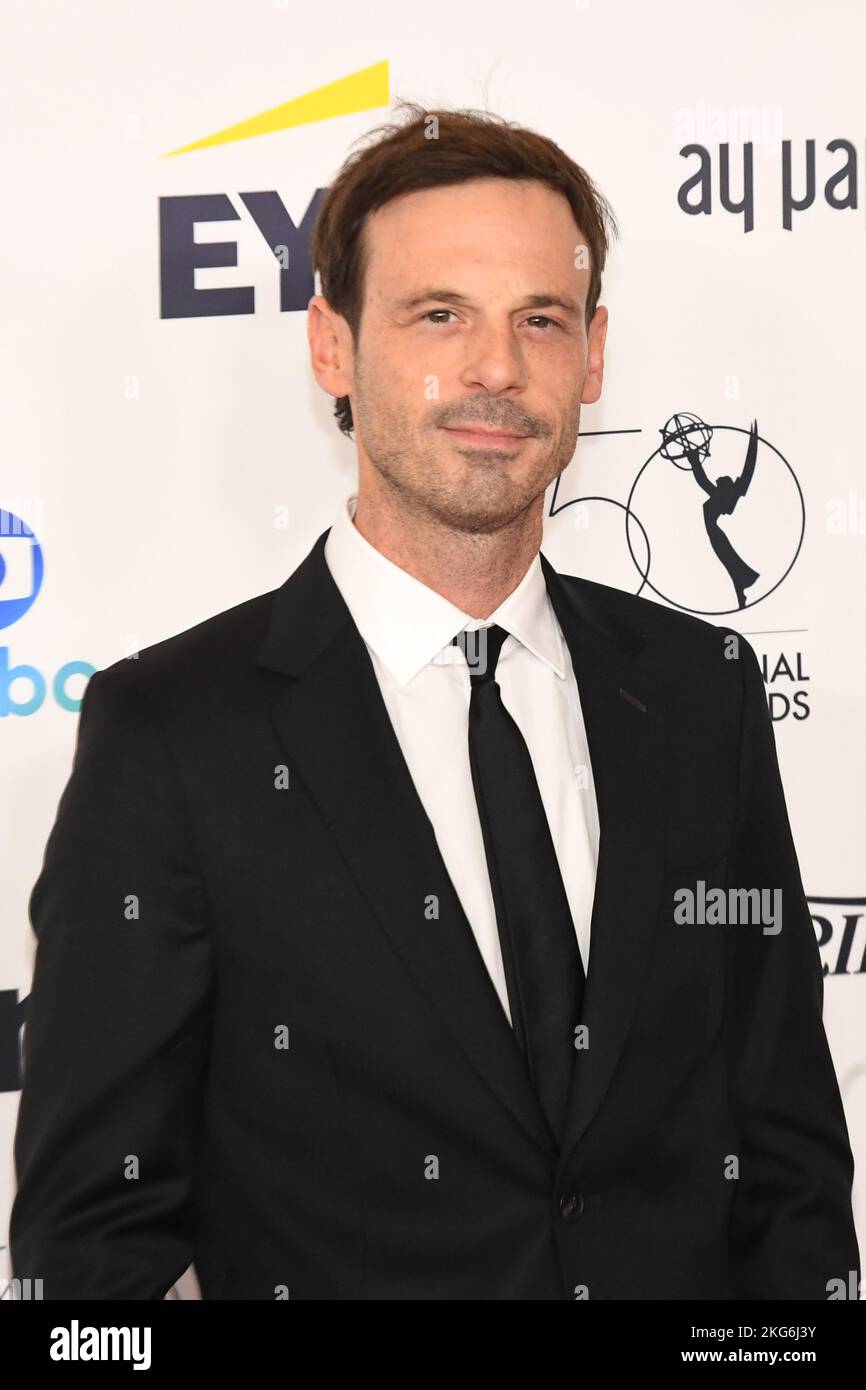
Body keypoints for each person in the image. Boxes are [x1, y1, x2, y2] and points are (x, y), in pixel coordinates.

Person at [10, 103, 859, 1300]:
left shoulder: (696, 693)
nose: (495, 369)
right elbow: (92, 1239)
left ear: (592, 355)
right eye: (438, 314)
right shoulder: (175, 732)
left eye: (539, 320)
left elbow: (783, 1158)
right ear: (330, 348)